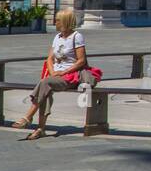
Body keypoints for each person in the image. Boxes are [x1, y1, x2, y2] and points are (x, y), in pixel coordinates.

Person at [13, 8, 97, 140]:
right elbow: (49, 58)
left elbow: (81, 61)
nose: (55, 22)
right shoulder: (57, 37)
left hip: (71, 76)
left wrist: (63, 72)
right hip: (56, 76)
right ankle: (40, 128)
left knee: (45, 83)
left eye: (57, 20)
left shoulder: (76, 37)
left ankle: (28, 117)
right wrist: (53, 73)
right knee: (45, 90)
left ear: (65, 21)